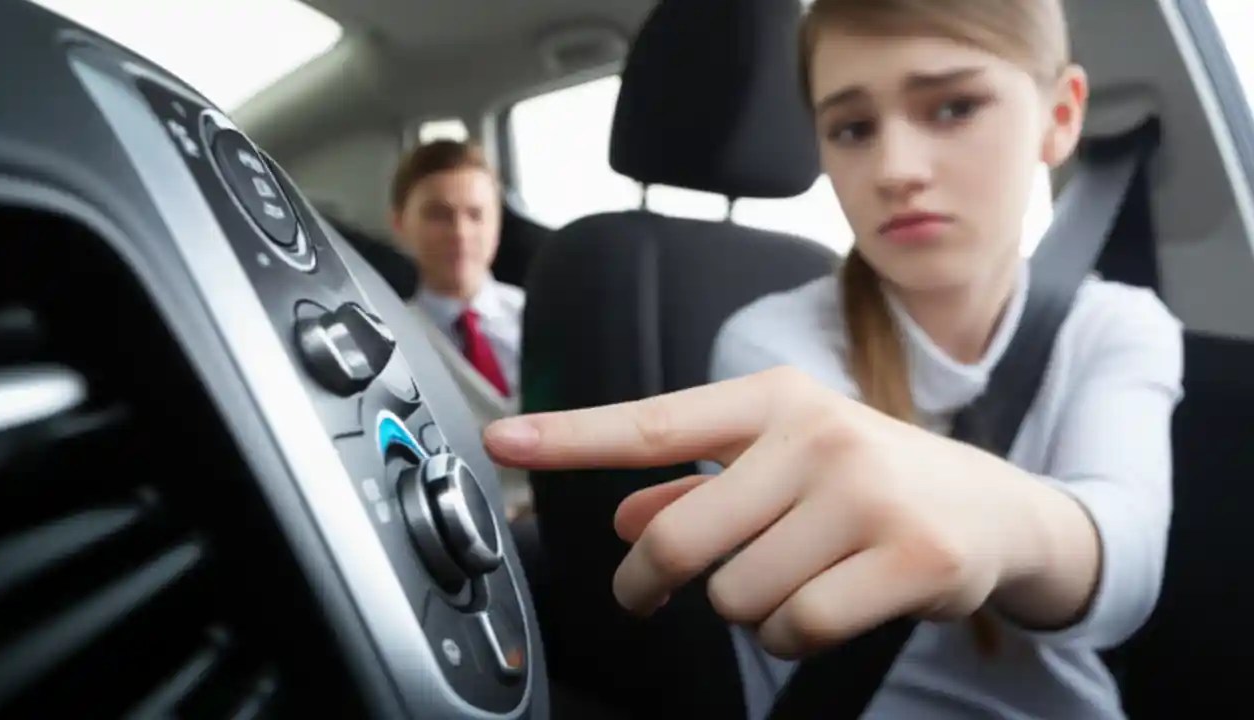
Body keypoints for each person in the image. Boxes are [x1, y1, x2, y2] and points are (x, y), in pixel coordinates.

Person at [481, 0, 1185, 718]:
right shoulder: (769, 345)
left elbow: (1126, 563)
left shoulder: (1116, 325)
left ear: (1060, 116)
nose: (895, 169)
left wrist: (1008, 523)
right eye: (851, 128)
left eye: (953, 107)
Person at [389, 139, 523, 400]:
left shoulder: (540, 315)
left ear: (497, 224)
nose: (460, 233)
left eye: (475, 214)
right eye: (438, 215)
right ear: (399, 224)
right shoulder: (391, 337)